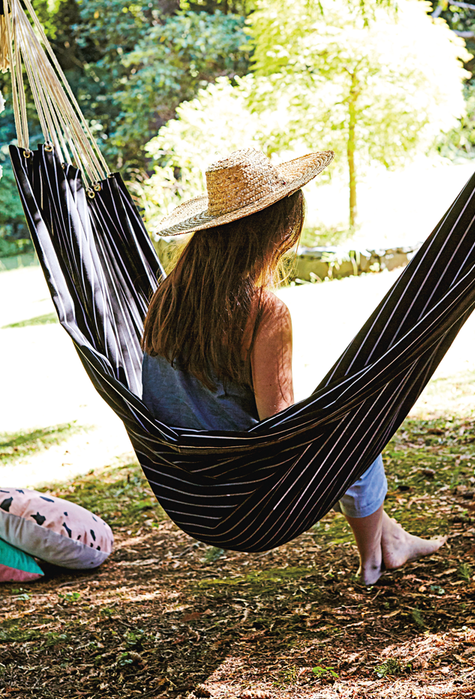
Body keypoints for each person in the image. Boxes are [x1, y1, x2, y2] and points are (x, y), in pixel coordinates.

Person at [141, 148, 446, 584]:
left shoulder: (165, 296)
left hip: (188, 483)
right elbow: (279, 426)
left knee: (342, 426)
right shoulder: (265, 312)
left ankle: (392, 539)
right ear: (277, 231)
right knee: (358, 428)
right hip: (247, 490)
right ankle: (374, 560)